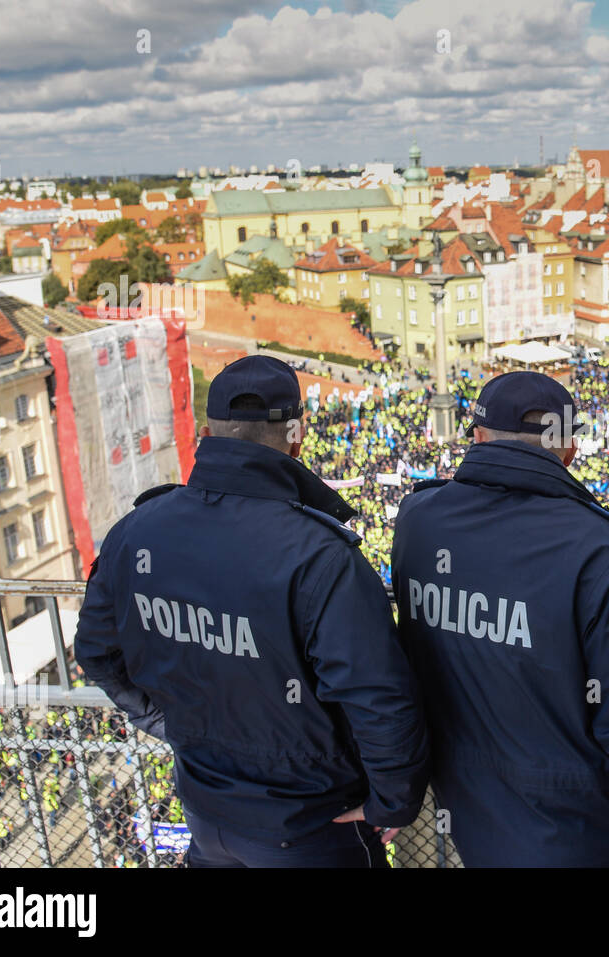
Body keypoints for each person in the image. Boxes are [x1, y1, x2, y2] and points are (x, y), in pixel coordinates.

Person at [74, 355, 430, 868]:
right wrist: (393, 800)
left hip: (205, 810)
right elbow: (378, 698)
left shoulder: (136, 531)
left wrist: (168, 723)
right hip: (311, 823)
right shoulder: (320, 554)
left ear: (204, 433)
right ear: (297, 435)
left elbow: (96, 652)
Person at [391, 370, 609, 867]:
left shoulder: (417, 520)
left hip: (469, 817)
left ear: (476, 438)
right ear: (569, 451)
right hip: (580, 832)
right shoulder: (601, 548)